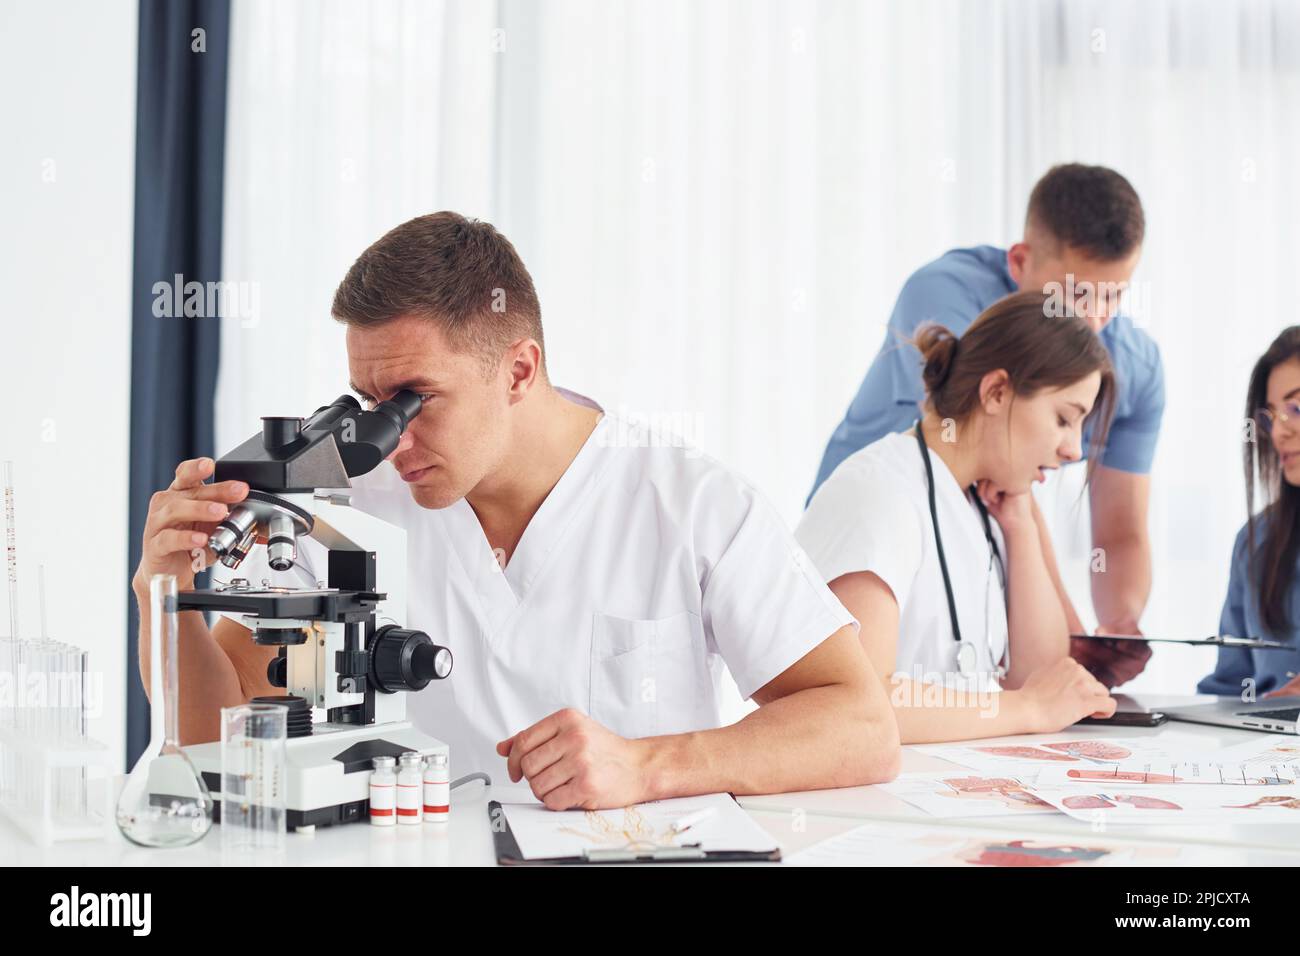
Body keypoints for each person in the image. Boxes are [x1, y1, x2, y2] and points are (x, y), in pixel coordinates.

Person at [132, 211, 900, 811]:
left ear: (520, 369)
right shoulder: (347, 507)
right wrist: (162, 599)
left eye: (414, 401)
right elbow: (214, 742)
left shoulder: (690, 500)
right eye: (369, 403)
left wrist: (650, 765)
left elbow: (860, 727)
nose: (387, 439)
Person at [810, 164, 1162, 688]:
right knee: (867, 689)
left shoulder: (1132, 364)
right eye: (1077, 296)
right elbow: (979, 438)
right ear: (1019, 263)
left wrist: (1116, 627)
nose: (1093, 320)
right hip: (879, 535)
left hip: (976, 521)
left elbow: (1120, 528)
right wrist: (1071, 645)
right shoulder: (951, 297)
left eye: (1113, 297)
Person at [796, 290, 1118, 743]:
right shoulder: (879, 492)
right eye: (1065, 419)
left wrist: (1021, 525)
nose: (1074, 450)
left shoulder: (982, 505)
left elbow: (1041, 679)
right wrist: (1025, 706)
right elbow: (856, 704)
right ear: (997, 392)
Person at [1198, 326, 1300, 699]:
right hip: (1276, 754)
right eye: (1272, 416)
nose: (1278, 433)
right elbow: (1227, 689)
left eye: (1297, 408)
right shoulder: (1256, 543)